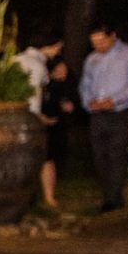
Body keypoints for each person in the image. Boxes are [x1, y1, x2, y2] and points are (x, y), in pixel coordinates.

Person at [79, 21, 128, 213]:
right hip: (98, 114)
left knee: (116, 153)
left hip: (122, 112)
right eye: (94, 42)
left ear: (112, 37)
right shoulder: (92, 59)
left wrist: (115, 100)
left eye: (102, 42)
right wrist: (88, 102)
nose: (98, 46)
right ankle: (109, 192)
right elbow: (85, 83)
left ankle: (112, 198)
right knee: (100, 155)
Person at [38, 55, 78, 208]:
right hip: (43, 126)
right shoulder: (45, 86)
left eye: (64, 68)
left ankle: (49, 196)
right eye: (58, 69)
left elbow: (73, 104)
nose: (62, 72)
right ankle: (45, 196)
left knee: (50, 160)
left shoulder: (69, 85)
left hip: (58, 127)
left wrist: (69, 109)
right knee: (44, 159)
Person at [14, 30, 62, 116]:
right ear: (47, 46)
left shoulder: (17, 58)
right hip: (22, 115)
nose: (58, 52)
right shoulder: (37, 65)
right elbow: (34, 95)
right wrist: (38, 117)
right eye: (57, 48)